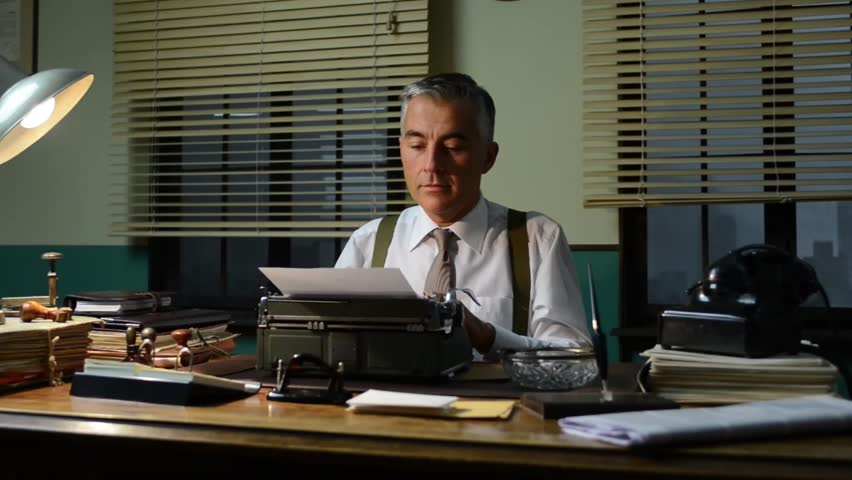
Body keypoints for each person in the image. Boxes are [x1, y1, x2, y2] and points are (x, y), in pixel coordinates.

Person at [334, 72, 591, 358]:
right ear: (401, 150)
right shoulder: (368, 242)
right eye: (417, 146)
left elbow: (574, 359)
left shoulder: (538, 239)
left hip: (500, 402)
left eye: (453, 148)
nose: (431, 165)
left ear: (488, 157)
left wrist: (490, 337)